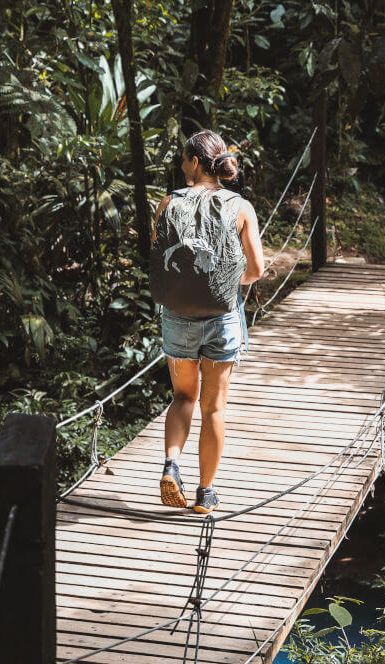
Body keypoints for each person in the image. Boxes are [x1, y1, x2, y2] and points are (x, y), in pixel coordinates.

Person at [148, 130, 265, 513]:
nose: (182, 167)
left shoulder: (169, 202)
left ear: (196, 162)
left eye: (184, 160)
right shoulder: (241, 206)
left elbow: (163, 261)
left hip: (178, 317)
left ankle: (170, 464)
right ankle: (206, 493)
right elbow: (256, 270)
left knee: (183, 397)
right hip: (222, 318)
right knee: (213, 408)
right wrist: (227, 282)